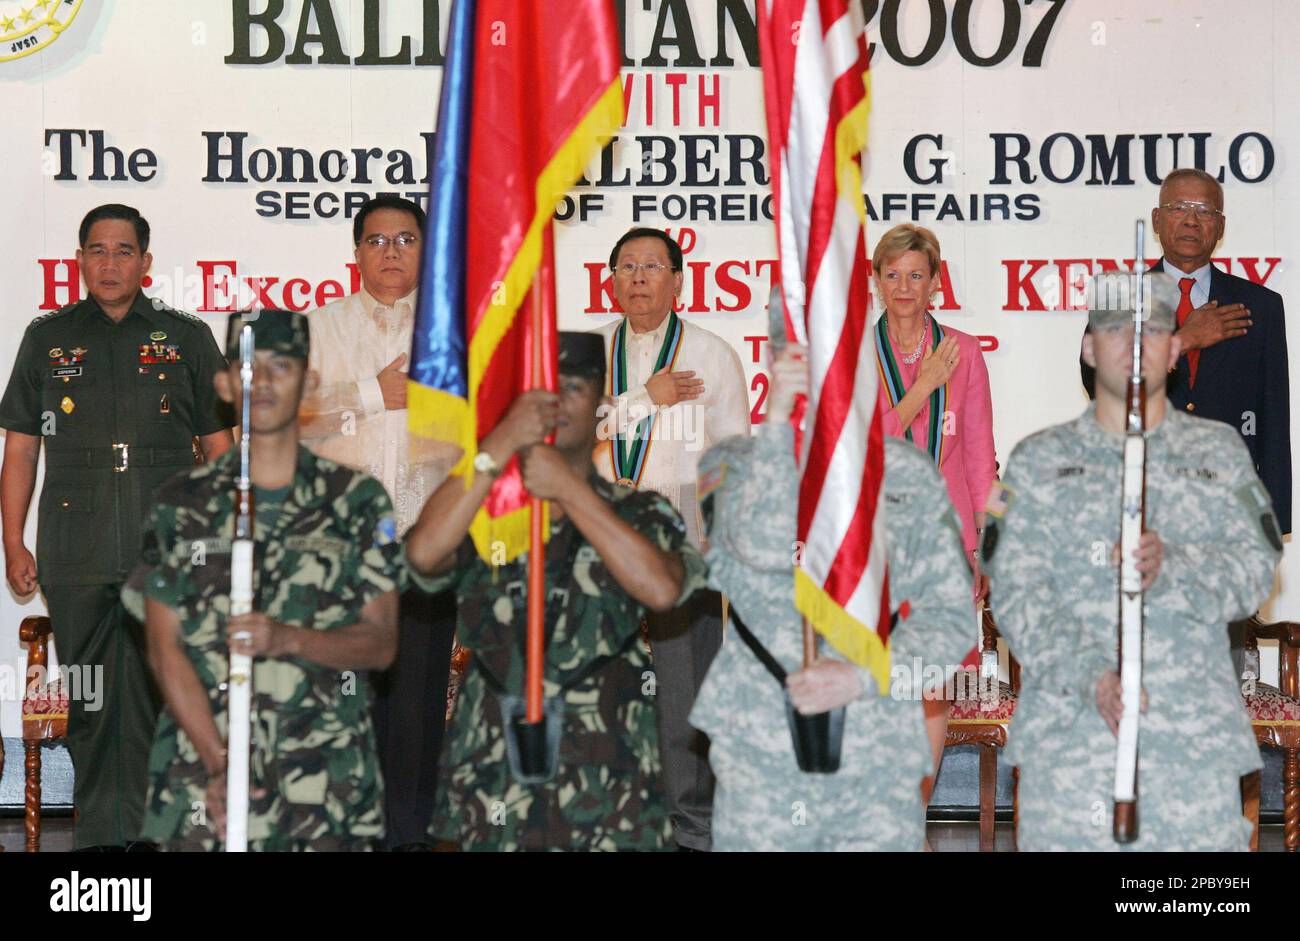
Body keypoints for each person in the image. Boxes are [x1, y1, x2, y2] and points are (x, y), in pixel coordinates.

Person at [989, 272, 1281, 850]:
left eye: (1154, 331)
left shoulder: (1218, 455)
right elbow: (1015, 594)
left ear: (1176, 349)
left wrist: (1174, 563)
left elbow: (1256, 571)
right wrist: (1092, 676)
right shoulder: (1037, 463)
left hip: (1190, 751)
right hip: (1071, 745)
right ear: (1090, 347)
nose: (1136, 344)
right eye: (1117, 329)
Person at [404, 332, 707, 851]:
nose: (559, 402)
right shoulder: (485, 508)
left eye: (575, 387)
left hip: (609, 782)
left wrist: (570, 490)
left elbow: (663, 590)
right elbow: (422, 554)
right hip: (494, 776)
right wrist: (498, 446)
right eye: (543, 390)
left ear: (601, 404)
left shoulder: (640, 513)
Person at [121, 309, 403, 851]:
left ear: (310, 382)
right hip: (202, 784)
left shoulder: (355, 501)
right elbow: (164, 648)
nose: (265, 381)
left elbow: (381, 643)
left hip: (324, 784)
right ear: (226, 383)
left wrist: (288, 638)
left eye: (283, 365)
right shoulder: (182, 504)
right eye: (250, 367)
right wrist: (220, 765)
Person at [0, 204, 233, 850]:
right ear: (78, 260)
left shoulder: (186, 338)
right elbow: (20, 449)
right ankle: (103, 836)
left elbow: (221, 448)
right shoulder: (45, 339)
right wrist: (12, 539)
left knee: (166, 691)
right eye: (96, 251)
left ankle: (163, 831)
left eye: (123, 251)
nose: (109, 263)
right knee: (93, 696)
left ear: (146, 262)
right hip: (76, 548)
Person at [689, 345, 973, 851]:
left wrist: (865, 674)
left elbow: (950, 619)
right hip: (760, 759)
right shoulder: (728, 465)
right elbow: (751, 552)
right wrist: (776, 430)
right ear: (776, 357)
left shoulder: (906, 472)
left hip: (876, 757)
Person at [299, 195, 458, 850]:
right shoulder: (318, 327)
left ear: (426, 250)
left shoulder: (456, 333)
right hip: (339, 551)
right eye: (376, 240)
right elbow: (291, 421)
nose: (391, 251)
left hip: (428, 546)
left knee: (417, 710)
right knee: (343, 705)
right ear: (356, 252)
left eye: (405, 239)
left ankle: (407, 839)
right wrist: (372, 395)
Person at [591, 226, 750, 851]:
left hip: (688, 535)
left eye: (652, 265)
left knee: (686, 689)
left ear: (677, 280)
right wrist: (643, 400)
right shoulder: (590, 351)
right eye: (626, 265)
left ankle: (693, 827)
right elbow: (569, 436)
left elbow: (734, 457)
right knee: (606, 682)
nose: (637, 277)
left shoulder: (711, 353)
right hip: (602, 534)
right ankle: (611, 814)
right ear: (609, 280)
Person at [1079, 168, 1291, 536]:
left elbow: (1274, 417)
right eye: (1179, 208)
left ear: (1220, 227)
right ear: (1158, 220)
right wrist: (1184, 338)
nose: (1192, 220)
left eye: (1205, 211)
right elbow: (1098, 382)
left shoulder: (1261, 305)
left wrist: (1274, 515)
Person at [870, 222, 996, 797]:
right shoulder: (854, 354)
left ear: (935, 283)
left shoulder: (963, 352)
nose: (903, 286)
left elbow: (978, 455)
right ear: (875, 282)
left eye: (916, 275)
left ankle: (911, 817)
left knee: (931, 684)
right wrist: (922, 388)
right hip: (870, 541)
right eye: (892, 275)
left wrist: (982, 545)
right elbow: (863, 452)